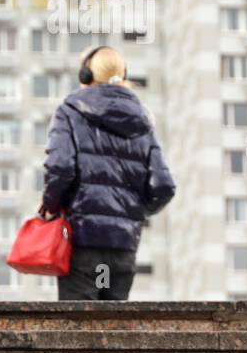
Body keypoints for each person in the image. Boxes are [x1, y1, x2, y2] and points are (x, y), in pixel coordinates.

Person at [41, 45, 175, 300]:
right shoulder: (143, 121)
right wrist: (133, 212)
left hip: (83, 240)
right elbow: (164, 186)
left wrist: (50, 204)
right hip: (123, 245)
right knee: (113, 327)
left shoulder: (69, 112)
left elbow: (60, 167)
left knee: (77, 330)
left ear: (86, 75)